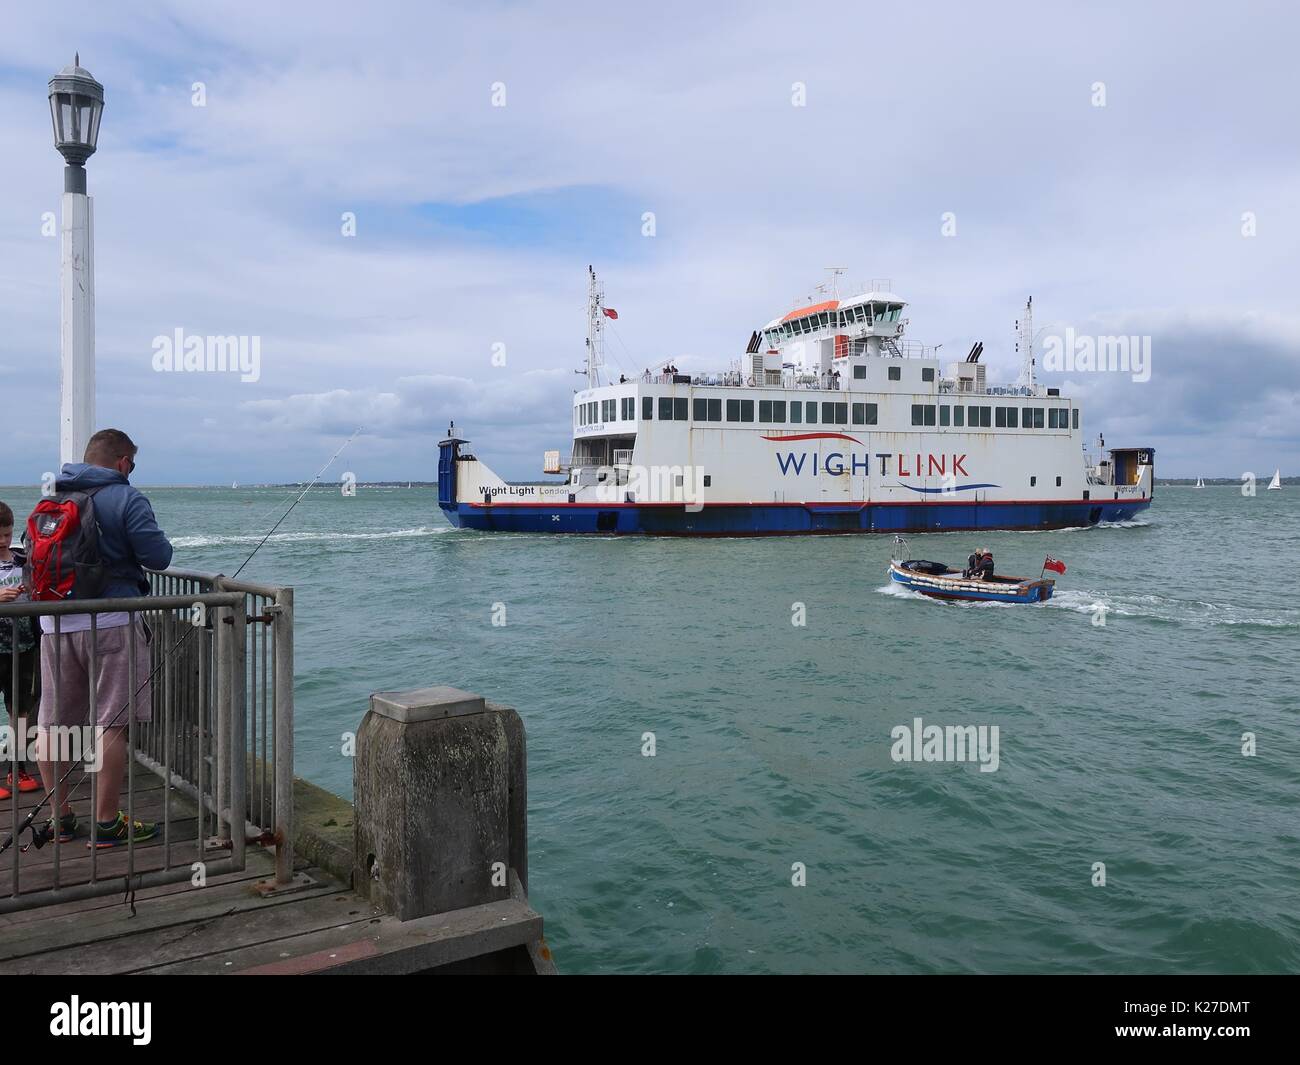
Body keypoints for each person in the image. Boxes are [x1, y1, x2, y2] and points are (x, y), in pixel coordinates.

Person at [35, 429, 173, 848]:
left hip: (53, 624)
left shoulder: (54, 498)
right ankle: (107, 823)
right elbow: (158, 557)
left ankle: (60, 819)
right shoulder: (127, 498)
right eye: (132, 463)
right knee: (111, 722)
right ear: (123, 462)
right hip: (112, 620)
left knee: (51, 723)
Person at [0, 501, 41, 799]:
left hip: (23, 646)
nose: (3, 541)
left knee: (21, 710)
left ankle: (18, 767)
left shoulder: (21, 561)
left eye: (7, 534)